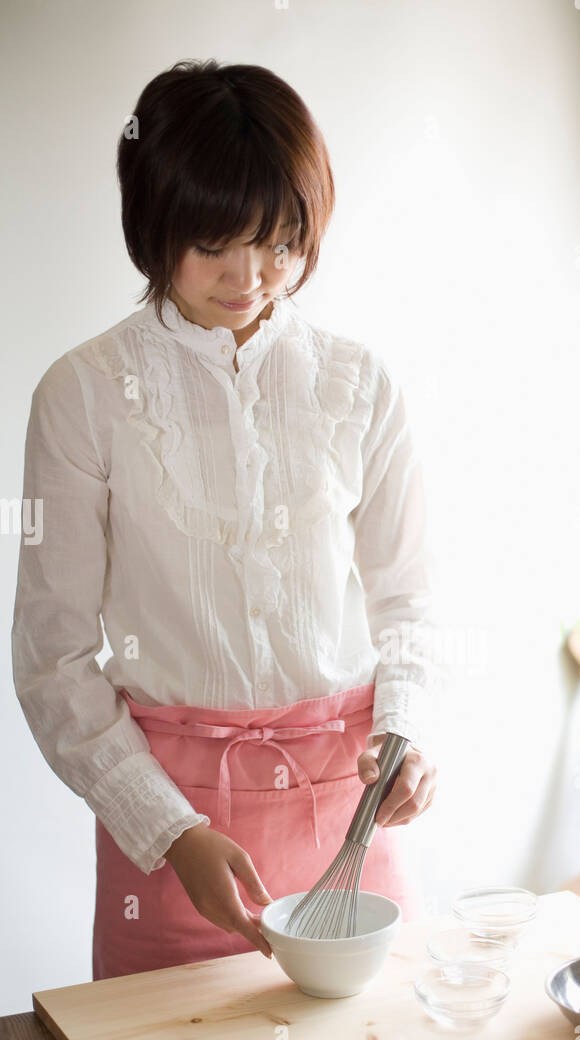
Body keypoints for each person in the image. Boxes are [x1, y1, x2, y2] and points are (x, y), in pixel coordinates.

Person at [11, 60, 438, 980]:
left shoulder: (359, 382)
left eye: (281, 242)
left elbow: (410, 602)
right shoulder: (82, 395)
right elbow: (50, 656)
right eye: (214, 245)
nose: (251, 277)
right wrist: (169, 830)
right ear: (152, 229)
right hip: (171, 829)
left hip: (350, 818)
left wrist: (407, 736)